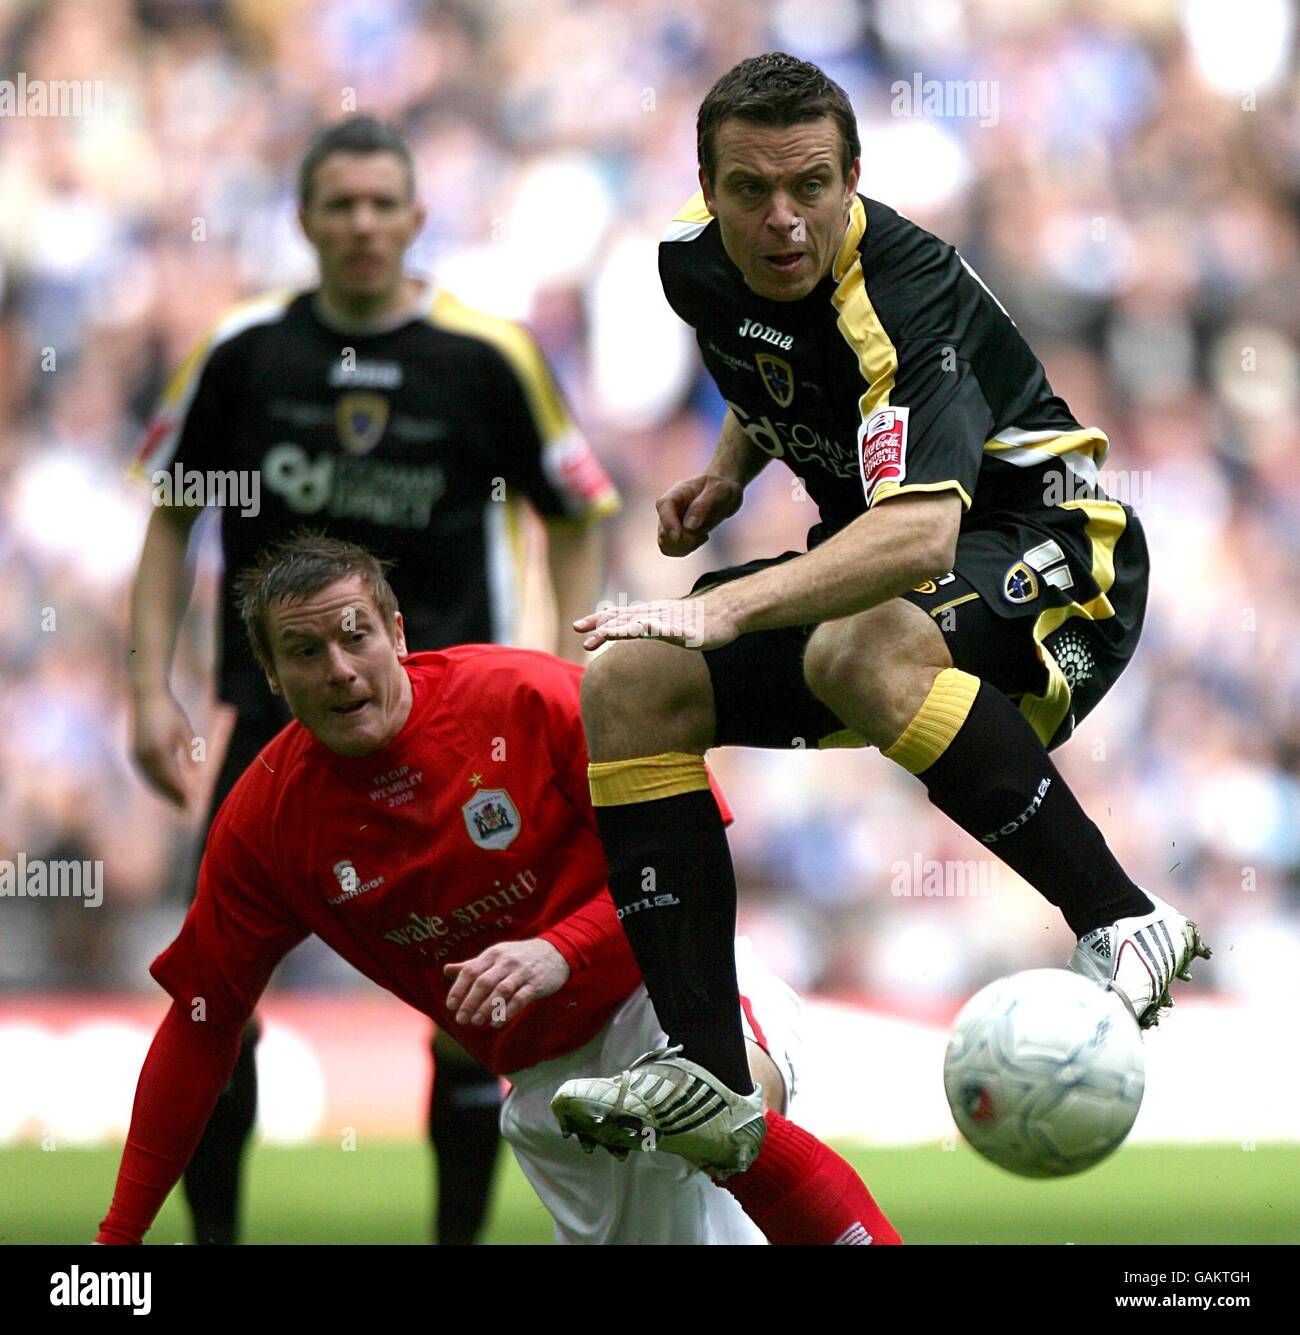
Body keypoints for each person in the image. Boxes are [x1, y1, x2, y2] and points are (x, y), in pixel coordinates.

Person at [550, 52, 1211, 1177]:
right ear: (705, 192)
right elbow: (770, 373)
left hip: (1056, 552)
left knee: (845, 639)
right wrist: (727, 472)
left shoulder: (905, 295)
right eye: (750, 191)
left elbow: (916, 538)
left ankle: (1122, 917)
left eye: (811, 185)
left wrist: (724, 609)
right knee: (627, 679)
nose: (783, 219)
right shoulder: (686, 264)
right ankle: (709, 1073)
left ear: (853, 177)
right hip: (890, 580)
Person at [97, 534, 901, 1247]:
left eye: (355, 637)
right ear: (270, 673)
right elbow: (202, 1023)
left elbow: (694, 854)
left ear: (397, 633)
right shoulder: (265, 824)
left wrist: (563, 950)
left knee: (717, 1099)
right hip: (554, 1090)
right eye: (306, 652)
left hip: (671, 984)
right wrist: (117, 1240)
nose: (339, 669)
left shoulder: (525, 696)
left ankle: (724, 1097)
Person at [128, 114, 618, 1244]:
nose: (360, 224)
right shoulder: (244, 351)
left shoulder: (486, 357)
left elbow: (579, 509)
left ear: (415, 217)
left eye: (380, 204)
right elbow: (169, 519)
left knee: (472, 1005)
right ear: (303, 219)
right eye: (338, 204)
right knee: (216, 1000)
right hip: (270, 731)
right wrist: (145, 687)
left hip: (454, 733)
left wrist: (560, 667)